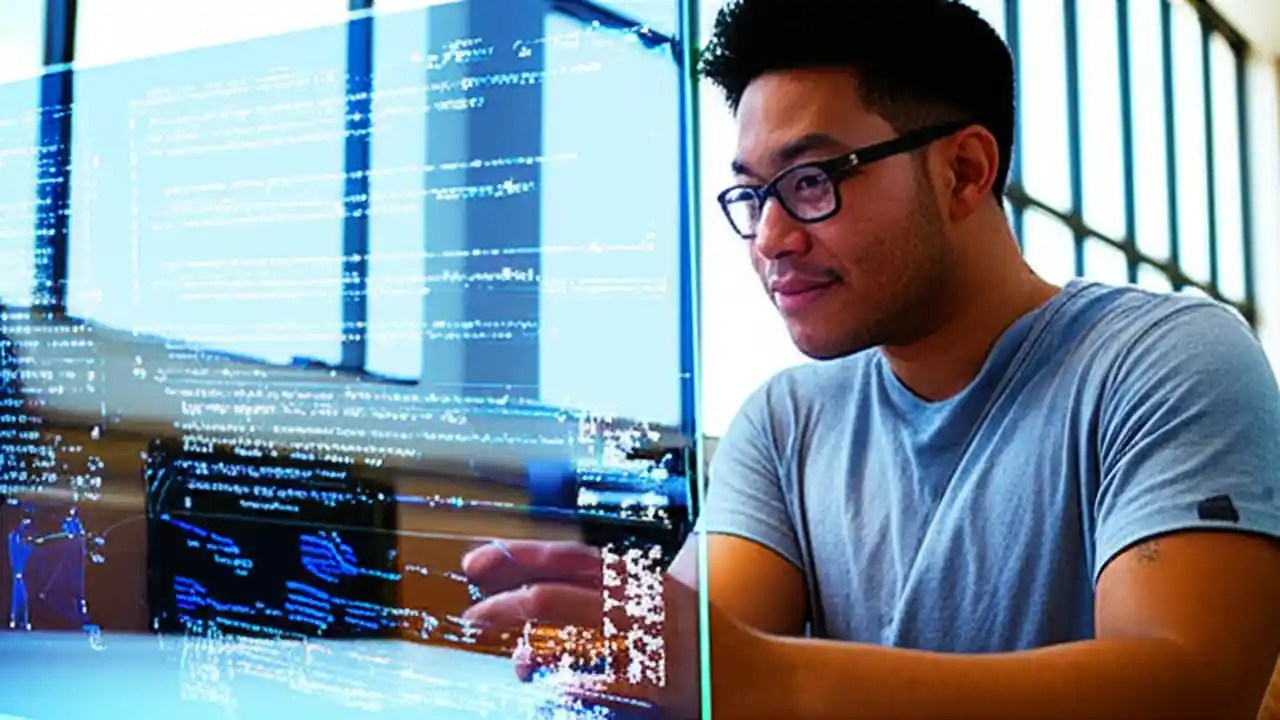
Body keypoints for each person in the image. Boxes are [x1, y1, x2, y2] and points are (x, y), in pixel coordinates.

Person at [461, 0, 1280, 717]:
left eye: (812, 181)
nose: (772, 241)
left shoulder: (1165, 359)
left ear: (964, 172)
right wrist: (625, 660)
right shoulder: (790, 422)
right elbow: (706, 657)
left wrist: (757, 677)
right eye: (752, 196)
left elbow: (1189, 689)